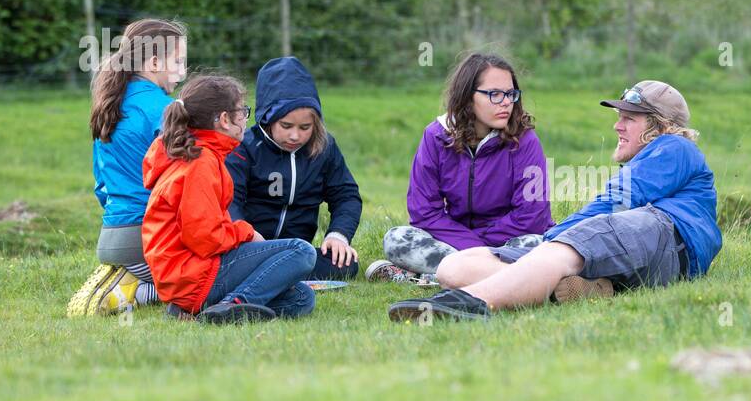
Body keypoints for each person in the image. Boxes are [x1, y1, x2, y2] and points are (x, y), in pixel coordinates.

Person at [389, 80, 721, 321]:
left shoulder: (675, 147)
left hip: (668, 237)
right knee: (455, 266)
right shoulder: (660, 155)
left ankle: (471, 303)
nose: (617, 126)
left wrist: (553, 241)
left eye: (629, 118)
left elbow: (617, 201)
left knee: (565, 246)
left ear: (658, 125)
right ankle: (578, 288)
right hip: (634, 251)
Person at [141, 74, 317, 324]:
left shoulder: (200, 153)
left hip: (192, 275)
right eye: (243, 112)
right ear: (224, 119)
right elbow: (204, 238)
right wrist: (246, 233)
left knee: (301, 297)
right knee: (301, 251)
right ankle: (231, 305)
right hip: (195, 275)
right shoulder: (200, 163)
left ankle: (192, 310)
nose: (246, 119)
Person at [367, 52, 552, 284]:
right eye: (494, 94)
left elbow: (532, 216)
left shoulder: (525, 140)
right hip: (456, 241)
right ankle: (496, 276)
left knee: (540, 245)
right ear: (467, 97)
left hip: (509, 243)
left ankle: (435, 277)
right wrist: (472, 247)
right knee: (397, 239)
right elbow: (423, 212)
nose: (506, 101)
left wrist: (480, 249)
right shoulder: (435, 137)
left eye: (510, 93)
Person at [67, 18, 185, 316]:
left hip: (114, 236)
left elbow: (101, 185)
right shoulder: (165, 109)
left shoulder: (109, 107)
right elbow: (184, 183)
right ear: (156, 62)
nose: (182, 73)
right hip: (154, 243)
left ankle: (126, 284)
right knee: (220, 274)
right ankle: (134, 288)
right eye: (179, 62)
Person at [226, 56, 363, 280]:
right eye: (286, 126)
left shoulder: (325, 148)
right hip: (248, 248)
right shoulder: (244, 148)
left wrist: (338, 236)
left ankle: (278, 273)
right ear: (267, 118)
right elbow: (229, 202)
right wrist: (248, 237)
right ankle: (273, 274)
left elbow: (347, 196)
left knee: (346, 265)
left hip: (298, 252)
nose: (295, 135)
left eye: (305, 127)